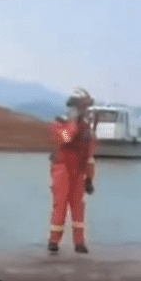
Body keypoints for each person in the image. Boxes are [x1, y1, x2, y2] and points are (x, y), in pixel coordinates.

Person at [48, 88, 97, 255]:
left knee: (78, 209)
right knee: (60, 206)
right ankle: (54, 241)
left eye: (85, 107)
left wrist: (89, 179)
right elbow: (66, 138)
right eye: (81, 107)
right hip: (62, 170)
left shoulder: (86, 129)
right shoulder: (60, 123)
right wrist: (73, 122)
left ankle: (80, 243)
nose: (84, 110)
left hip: (78, 172)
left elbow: (90, 156)